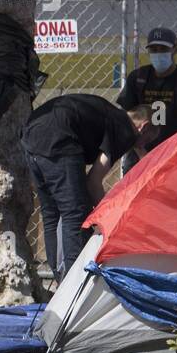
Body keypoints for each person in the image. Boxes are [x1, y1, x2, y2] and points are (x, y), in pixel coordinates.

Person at [21, 94, 152, 280]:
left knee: (52, 213)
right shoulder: (125, 130)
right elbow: (93, 181)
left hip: (32, 134)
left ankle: (60, 279)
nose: (144, 146)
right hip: (60, 137)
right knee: (75, 212)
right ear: (144, 127)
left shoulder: (112, 115)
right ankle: (73, 284)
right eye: (149, 140)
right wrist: (108, 217)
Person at [117, 27, 177, 171]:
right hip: (139, 157)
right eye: (154, 49)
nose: (158, 54)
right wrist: (141, 153)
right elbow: (125, 121)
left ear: (175, 49)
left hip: (175, 157)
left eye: (163, 49)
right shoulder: (138, 78)